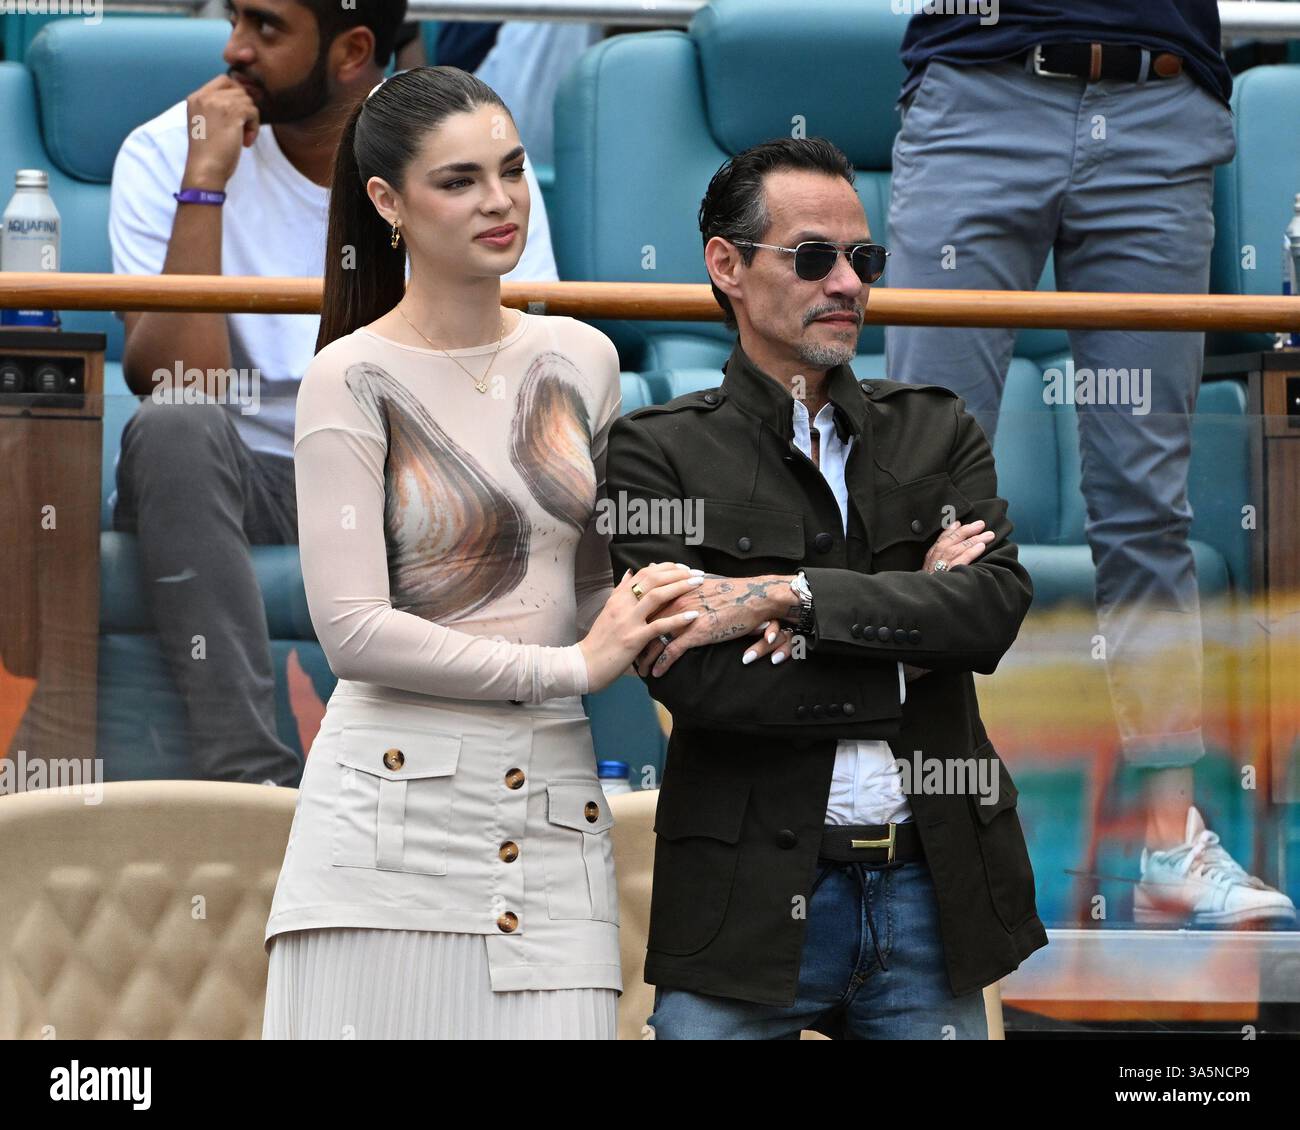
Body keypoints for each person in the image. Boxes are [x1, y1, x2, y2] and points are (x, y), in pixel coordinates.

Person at [260, 65, 706, 1040]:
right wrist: (575, 665)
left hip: (551, 810)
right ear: (387, 201)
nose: (499, 201)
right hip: (383, 824)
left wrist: (704, 608)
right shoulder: (349, 375)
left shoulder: (586, 357)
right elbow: (352, 631)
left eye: (510, 170)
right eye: (458, 180)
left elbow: (589, 588)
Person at [605, 137, 1045, 1040]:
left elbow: (991, 614)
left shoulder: (935, 429)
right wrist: (904, 637)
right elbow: (695, 677)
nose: (847, 282)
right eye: (814, 257)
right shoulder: (655, 451)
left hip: (933, 889)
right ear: (726, 265)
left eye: (864, 258)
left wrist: (788, 599)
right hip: (743, 903)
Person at [885, 1, 1295, 925]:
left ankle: (1168, 845)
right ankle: (901, 817)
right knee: (919, 481)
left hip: (1160, 102)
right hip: (981, 89)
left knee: (1148, 501)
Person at [107, 0, 558, 786]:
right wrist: (204, 182)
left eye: (266, 28)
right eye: (236, 17)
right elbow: (185, 378)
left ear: (352, 49)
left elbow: (517, 358)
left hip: (403, 466)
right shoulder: (163, 150)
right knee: (174, 422)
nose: (233, 48)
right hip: (239, 476)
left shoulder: (467, 161)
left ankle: (466, 781)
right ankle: (246, 781)